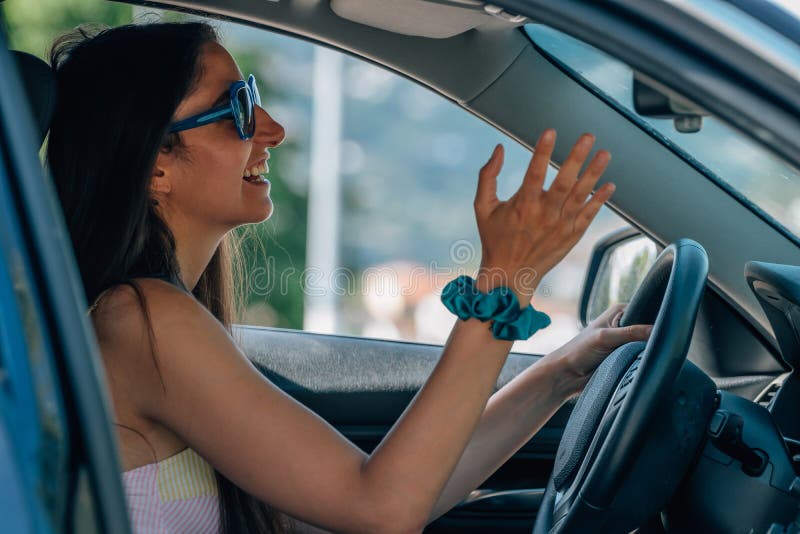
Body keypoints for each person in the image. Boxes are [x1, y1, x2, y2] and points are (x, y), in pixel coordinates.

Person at [47, 20, 652, 534]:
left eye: (254, 96)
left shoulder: (152, 317)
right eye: (237, 109)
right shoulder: (141, 319)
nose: (272, 130)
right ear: (156, 166)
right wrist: (502, 283)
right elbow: (383, 509)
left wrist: (562, 375)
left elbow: (407, 487)